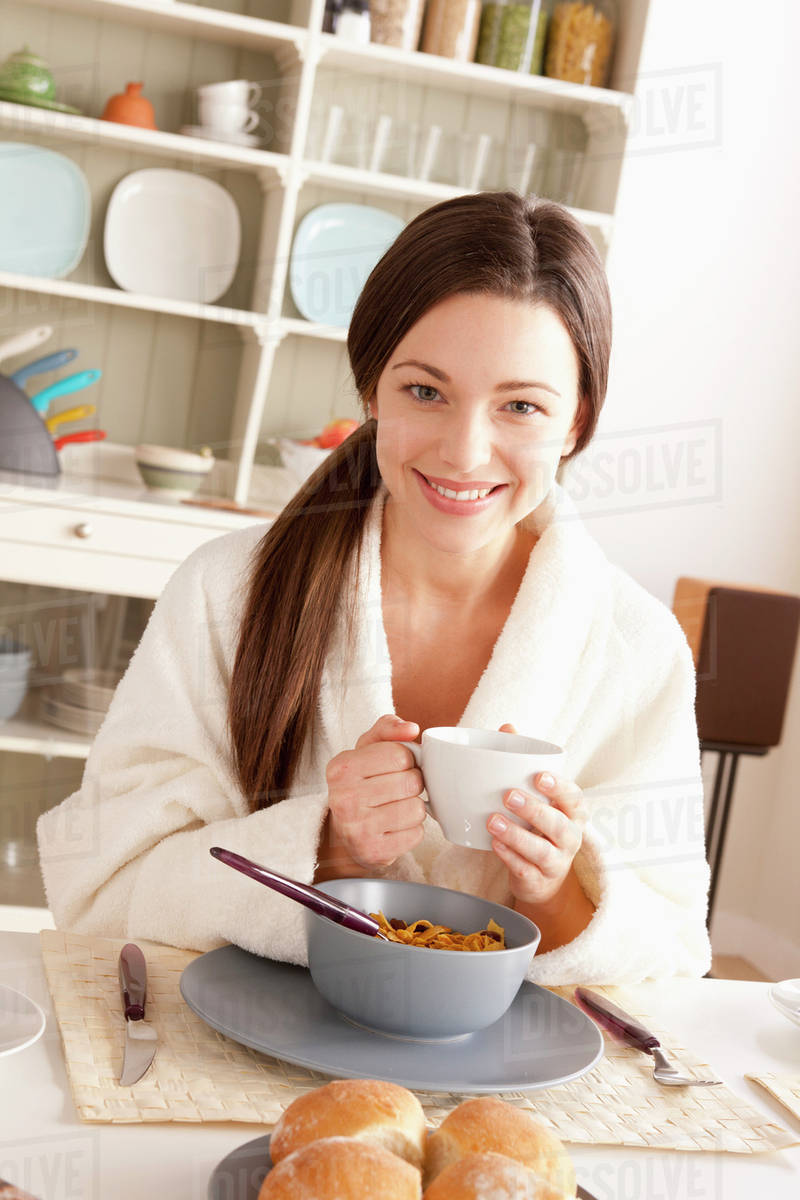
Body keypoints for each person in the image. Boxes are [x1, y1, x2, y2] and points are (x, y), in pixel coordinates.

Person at [36, 192, 712, 984]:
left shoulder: (636, 649)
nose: (465, 452)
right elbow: (102, 891)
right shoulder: (226, 595)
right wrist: (325, 846)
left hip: (502, 1092)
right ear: (371, 389)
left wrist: (558, 887)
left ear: (576, 423)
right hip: (229, 1070)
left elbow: (668, 960)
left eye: (521, 406)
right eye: (426, 391)